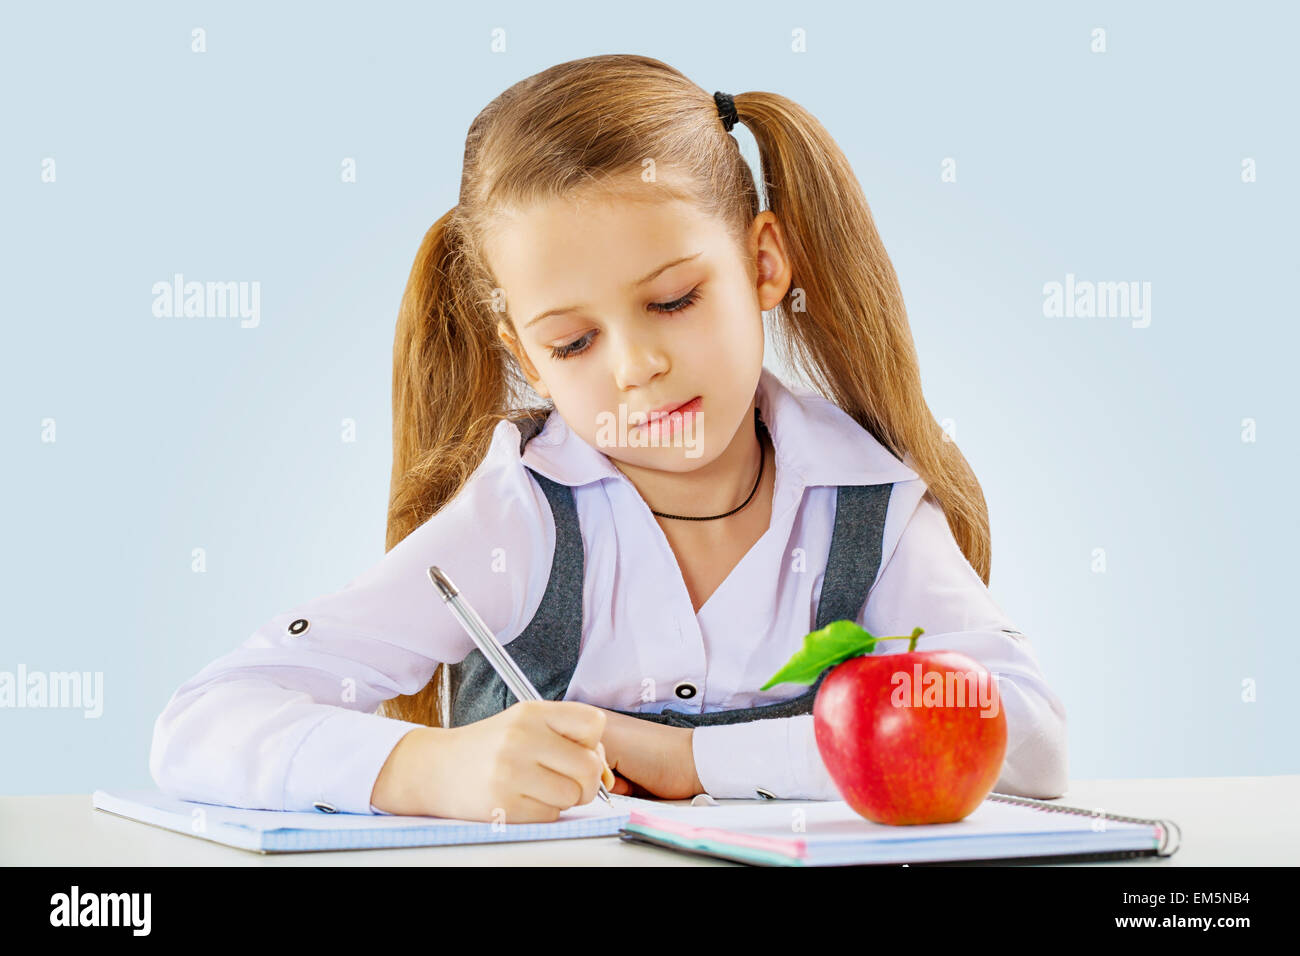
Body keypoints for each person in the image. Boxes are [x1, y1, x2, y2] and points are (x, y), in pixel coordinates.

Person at [150, 54, 1067, 824]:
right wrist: (432, 770)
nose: (636, 367)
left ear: (761, 262)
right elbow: (203, 722)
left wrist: (687, 762)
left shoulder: (867, 506)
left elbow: (1025, 737)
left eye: (672, 301)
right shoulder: (518, 521)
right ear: (529, 359)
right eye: (574, 342)